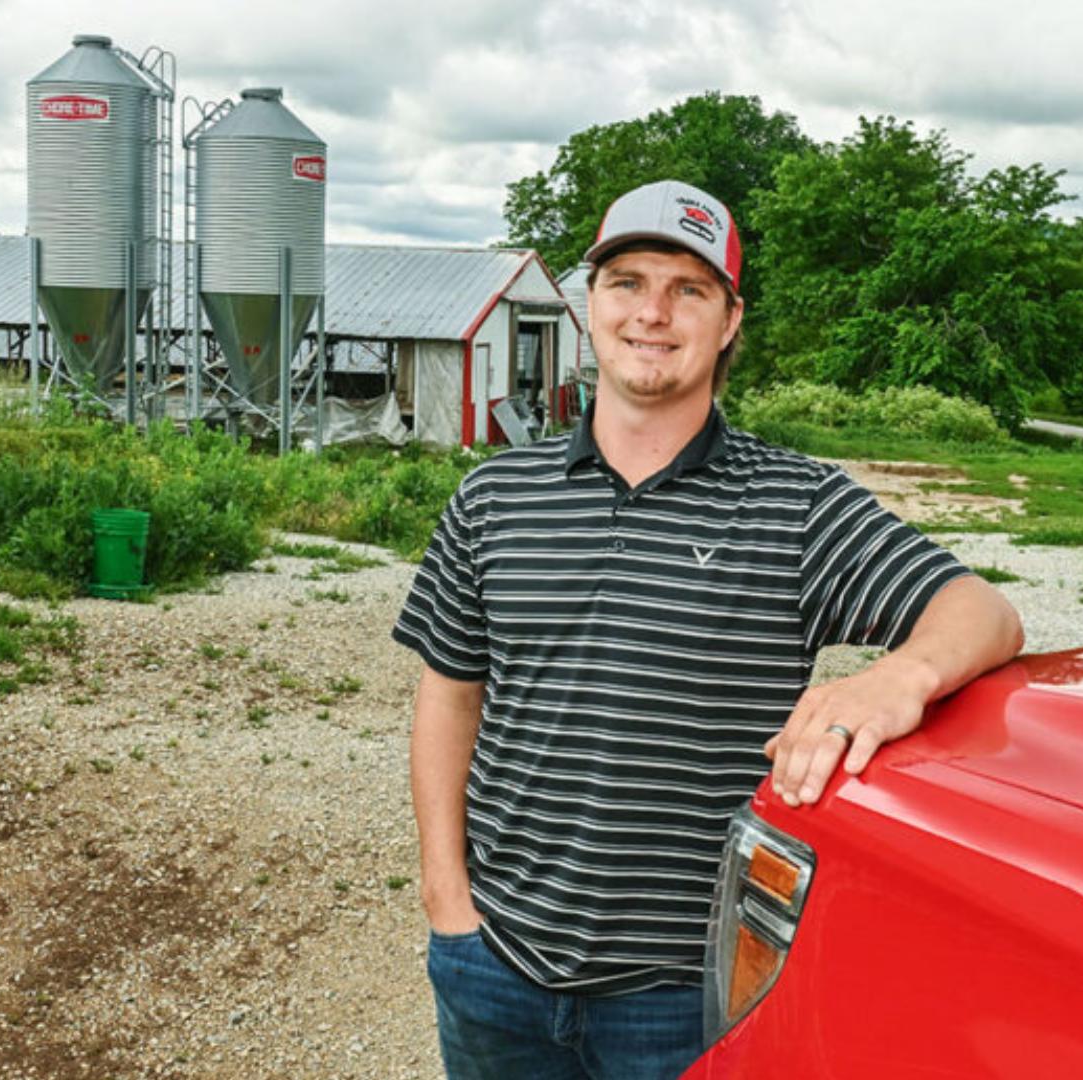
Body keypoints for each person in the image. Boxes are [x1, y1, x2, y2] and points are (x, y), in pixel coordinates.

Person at [393, 179, 1024, 1078]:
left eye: (689, 289)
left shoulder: (797, 504)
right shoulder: (494, 498)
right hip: (496, 967)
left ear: (729, 321)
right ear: (588, 304)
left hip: (687, 1001)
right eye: (628, 282)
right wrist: (446, 901)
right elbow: (450, 697)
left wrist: (891, 680)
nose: (653, 312)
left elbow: (984, 614)